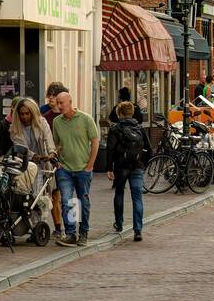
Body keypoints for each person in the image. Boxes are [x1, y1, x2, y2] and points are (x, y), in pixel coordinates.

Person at [51, 91, 99, 246]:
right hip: (65, 168)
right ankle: (70, 233)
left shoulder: (85, 119)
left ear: (70, 102)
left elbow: (95, 141)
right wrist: (56, 158)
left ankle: (83, 232)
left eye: (61, 103)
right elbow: (57, 144)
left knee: (82, 200)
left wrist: (90, 165)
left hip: (83, 168)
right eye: (57, 103)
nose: (59, 106)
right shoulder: (57, 122)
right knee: (68, 201)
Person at [106, 100, 148, 242]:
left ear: (120, 114)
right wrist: (143, 164)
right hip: (137, 166)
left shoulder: (115, 129)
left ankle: (119, 224)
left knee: (119, 193)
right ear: (132, 113)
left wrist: (109, 168)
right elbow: (149, 149)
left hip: (121, 166)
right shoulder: (140, 128)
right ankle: (137, 230)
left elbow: (110, 149)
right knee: (137, 197)